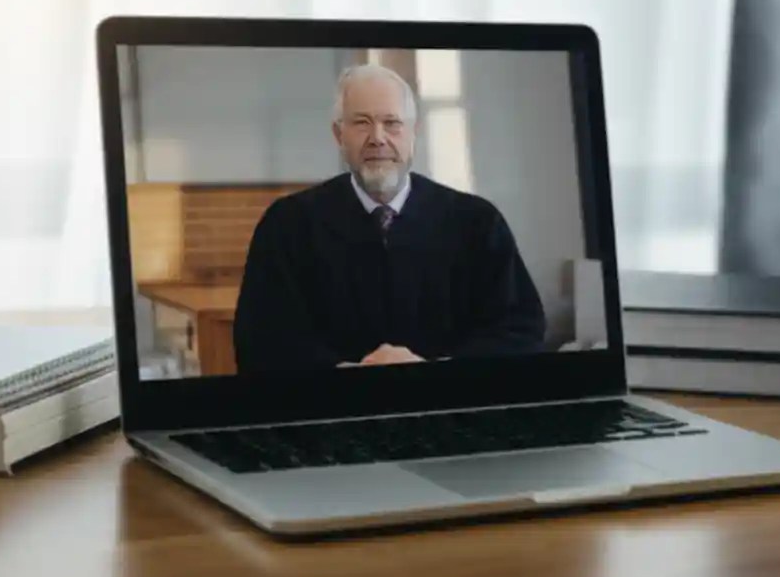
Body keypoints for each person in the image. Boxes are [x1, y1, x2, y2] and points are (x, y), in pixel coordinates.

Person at [233, 63, 546, 373]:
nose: (377, 138)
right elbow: (262, 341)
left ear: (413, 132)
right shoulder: (288, 225)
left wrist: (436, 373)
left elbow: (518, 332)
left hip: (449, 413)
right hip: (333, 414)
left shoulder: (478, 223)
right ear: (338, 134)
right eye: (361, 123)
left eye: (392, 122)